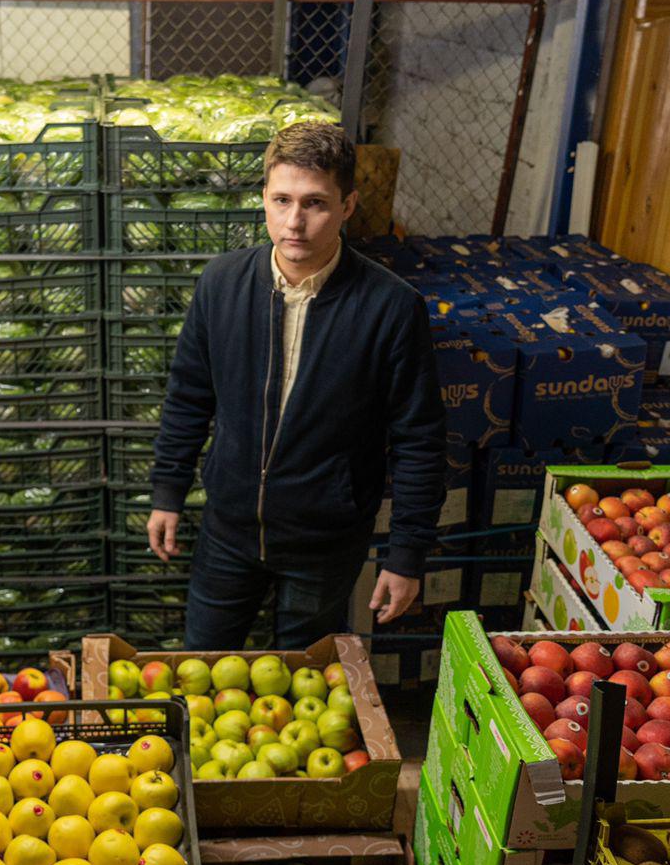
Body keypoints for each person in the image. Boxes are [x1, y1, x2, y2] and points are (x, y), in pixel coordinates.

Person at [147, 122, 446, 650]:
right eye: (281, 199)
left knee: (302, 683)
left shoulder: (391, 308)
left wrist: (406, 555)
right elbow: (189, 395)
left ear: (348, 206)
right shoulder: (221, 284)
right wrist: (168, 492)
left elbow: (419, 439)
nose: (294, 222)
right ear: (262, 197)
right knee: (202, 661)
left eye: (315, 204)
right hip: (228, 530)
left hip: (325, 543)